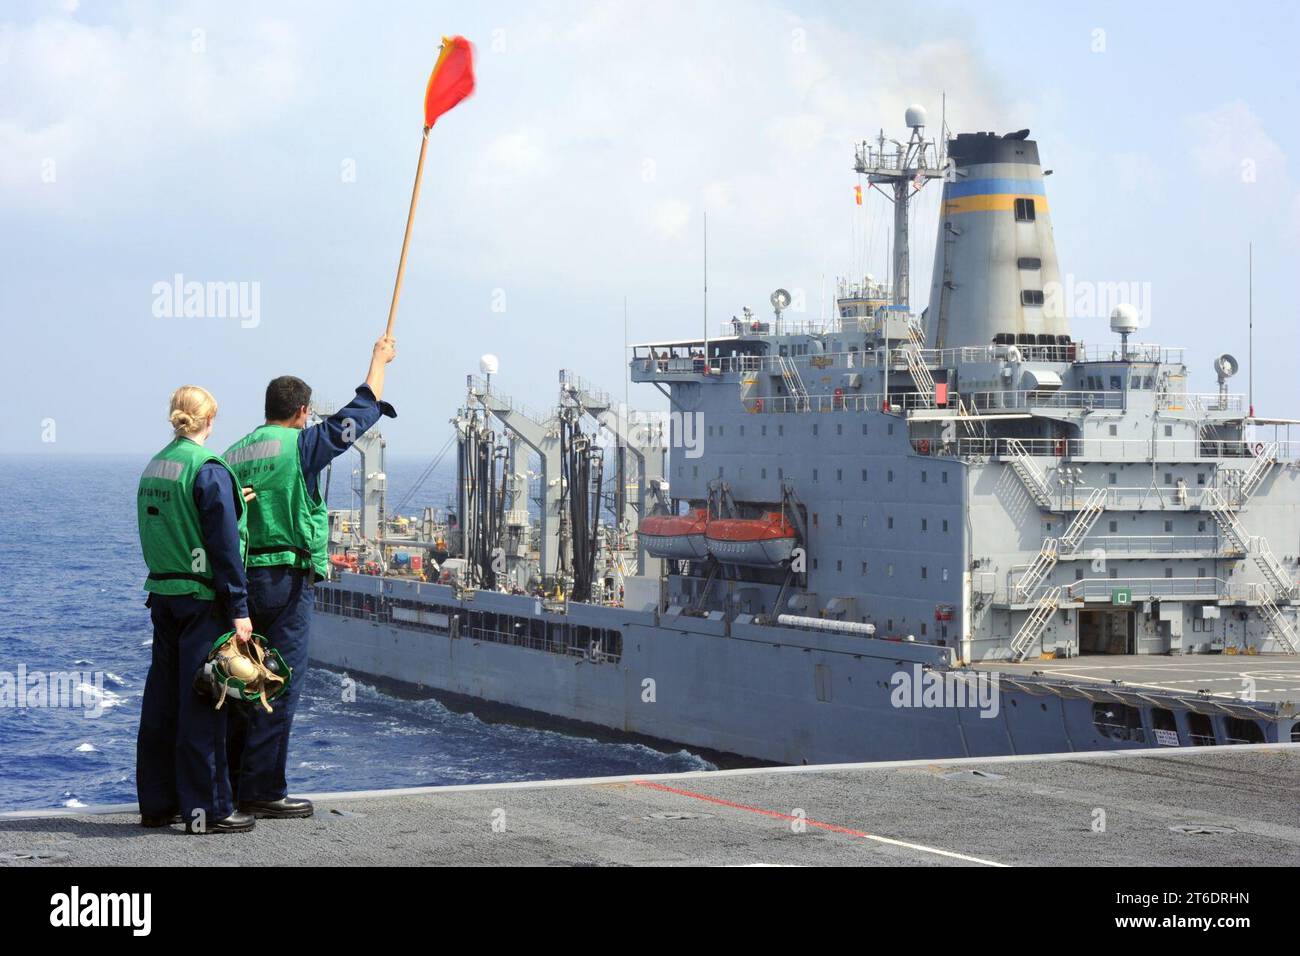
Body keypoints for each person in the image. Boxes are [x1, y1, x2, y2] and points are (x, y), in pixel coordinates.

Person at [223, 336, 397, 819]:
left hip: (239, 583)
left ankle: (232, 787)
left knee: (239, 681)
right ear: (302, 411)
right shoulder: (300, 445)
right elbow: (359, 414)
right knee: (278, 682)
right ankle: (262, 790)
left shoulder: (233, 453)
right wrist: (378, 361)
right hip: (285, 579)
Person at [136, 386, 255, 834]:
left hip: (163, 596)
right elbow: (224, 546)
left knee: (162, 701)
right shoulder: (208, 469)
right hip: (203, 602)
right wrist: (239, 608)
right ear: (210, 420)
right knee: (205, 701)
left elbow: (168, 524)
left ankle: (157, 804)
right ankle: (210, 810)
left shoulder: (155, 466)